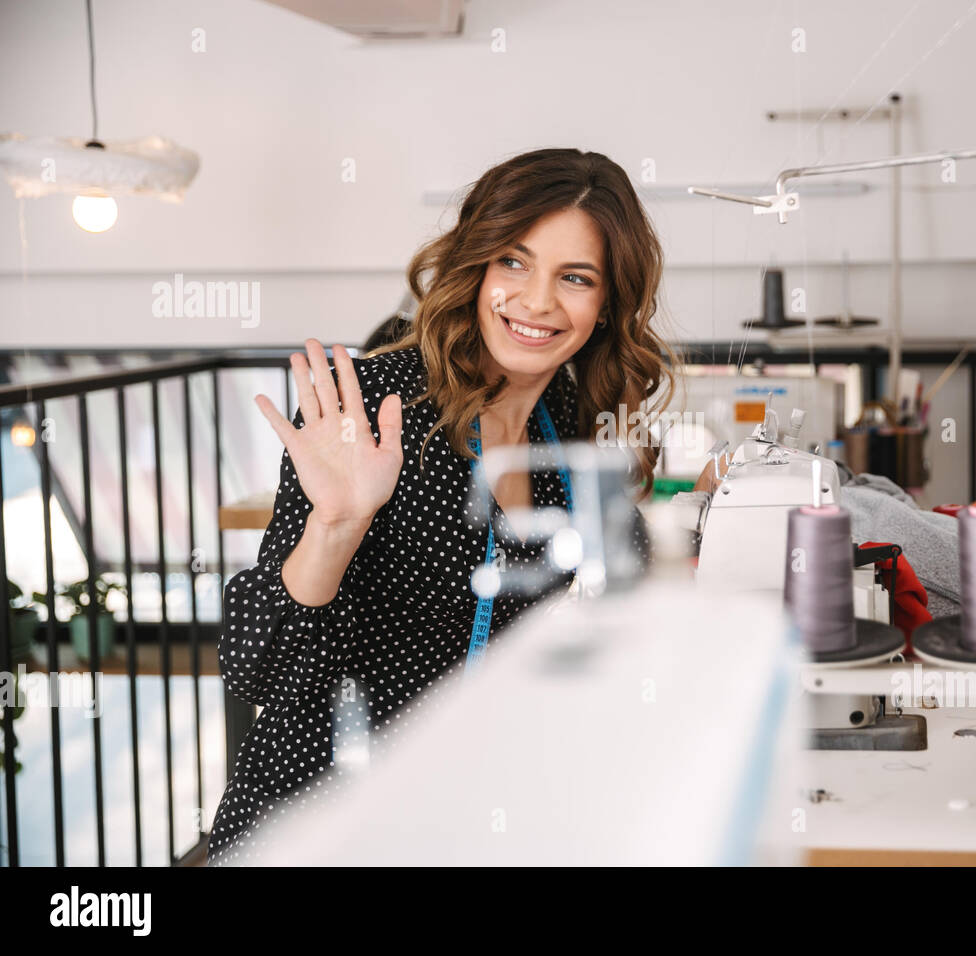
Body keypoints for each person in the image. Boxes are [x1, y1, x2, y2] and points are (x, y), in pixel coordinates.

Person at [207, 148, 676, 865]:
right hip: (323, 823)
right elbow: (259, 672)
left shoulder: (565, 417)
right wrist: (337, 524)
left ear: (607, 303)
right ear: (477, 266)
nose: (537, 301)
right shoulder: (375, 406)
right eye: (513, 263)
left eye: (574, 278)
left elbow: (628, 582)